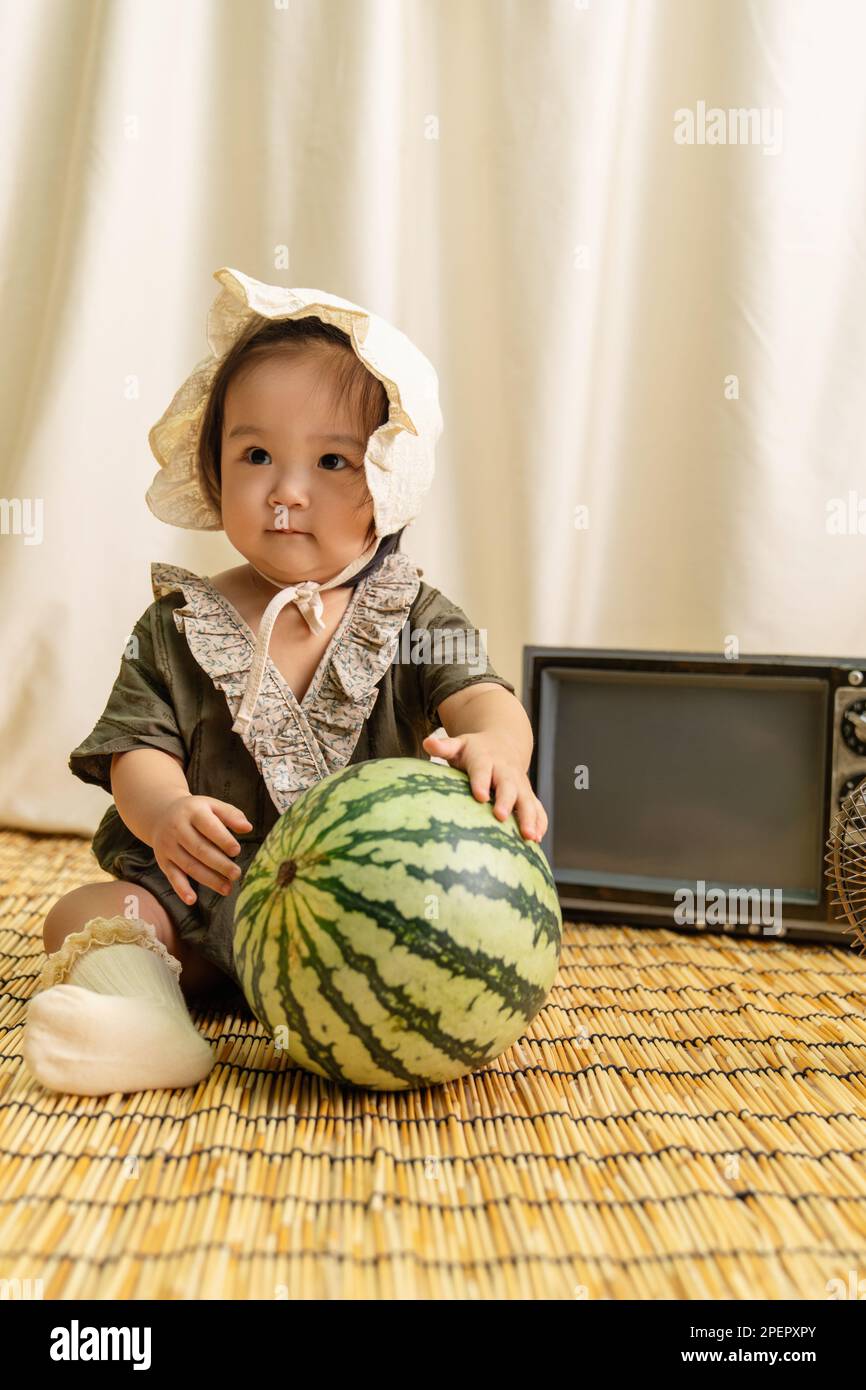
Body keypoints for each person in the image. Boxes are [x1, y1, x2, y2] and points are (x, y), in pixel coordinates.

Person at [20, 267, 549, 1097]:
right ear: (213, 468)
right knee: (87, 915)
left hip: (368, 925)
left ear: (387, 485)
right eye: (257, 454)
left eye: (333, 460)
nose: (287, 492)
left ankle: (375, 1018)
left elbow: (482, 698)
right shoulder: (177, 624)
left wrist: (496, 746)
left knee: (444, 934)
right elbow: (134, 749)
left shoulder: (409, 613)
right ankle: (151, 1026)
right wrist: (165, 813)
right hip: (199, 910)